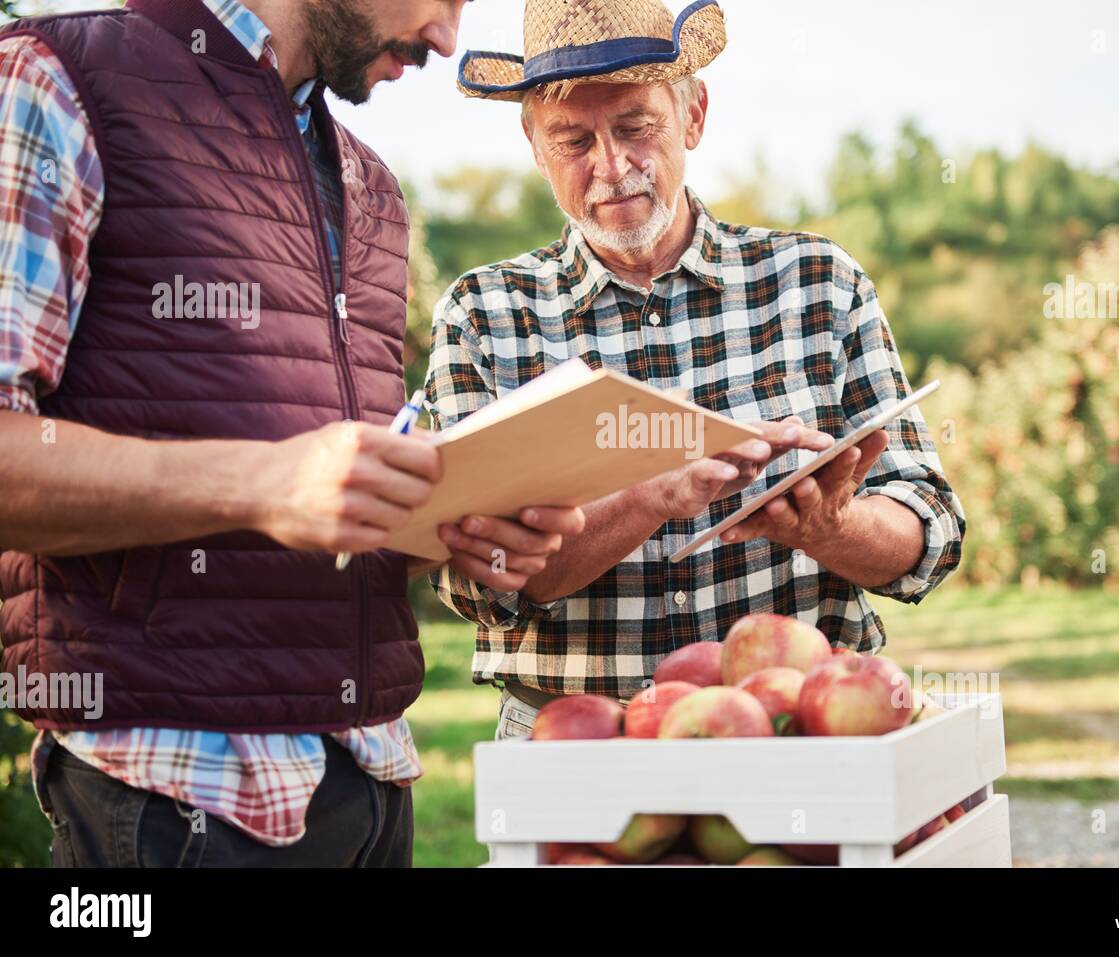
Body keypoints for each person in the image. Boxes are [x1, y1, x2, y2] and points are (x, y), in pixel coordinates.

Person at [0, 0, 586, 867]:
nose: (448, 38)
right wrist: (262, 483)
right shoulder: (55, 81)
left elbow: (327, 509)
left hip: (374, 786)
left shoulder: (371, 184)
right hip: (175, 802)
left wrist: (453, 525)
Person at [426, 0, 966, 740]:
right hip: (576, 744)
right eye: (573, 140)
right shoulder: (484, 315)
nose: (611, 167)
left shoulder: (817, 282)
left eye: (635, 128)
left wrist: (832, 526)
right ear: (534, 146)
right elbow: (475, 578)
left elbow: (929, 531)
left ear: (694, 116)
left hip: (798, 731)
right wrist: (650, 494)